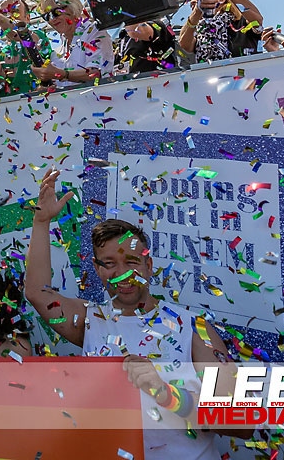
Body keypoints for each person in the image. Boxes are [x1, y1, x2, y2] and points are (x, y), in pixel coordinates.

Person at [24, 169, 251, 457]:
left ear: (148, 265)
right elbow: (37, 293)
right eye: (109, 264)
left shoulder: (194, 328)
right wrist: (41, 222)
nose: (122, 273)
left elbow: (241, 422)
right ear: (97, 270)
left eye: (131, 262)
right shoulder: (89, 320)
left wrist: (165, 393)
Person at [32, 0, 113, 85]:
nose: (52, 19)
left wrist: (62, 74)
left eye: (56, 12)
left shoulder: (94, 32)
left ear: (72, 6)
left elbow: (95, 74)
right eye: (46, 16)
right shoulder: (57, 52)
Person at [178, 0, 262, 63]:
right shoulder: (199, 31)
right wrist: (197, 11)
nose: (200, 3)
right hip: (212, 72)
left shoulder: (240, 23)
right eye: (196, 2)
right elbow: (184, 45)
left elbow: (257, 20)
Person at [0, 0, 52, 94]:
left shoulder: (38, 36)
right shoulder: (0, 50)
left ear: (27, 18)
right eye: (4, 13)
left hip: (38, 99)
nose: (9, 16)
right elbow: (0, 85)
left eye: (15, 11)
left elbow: (22, 35)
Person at [115, 19, 182, 74]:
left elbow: (134, 30)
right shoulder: (122, 38)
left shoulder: (158, 26)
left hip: (161, 82)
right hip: (130, 84)